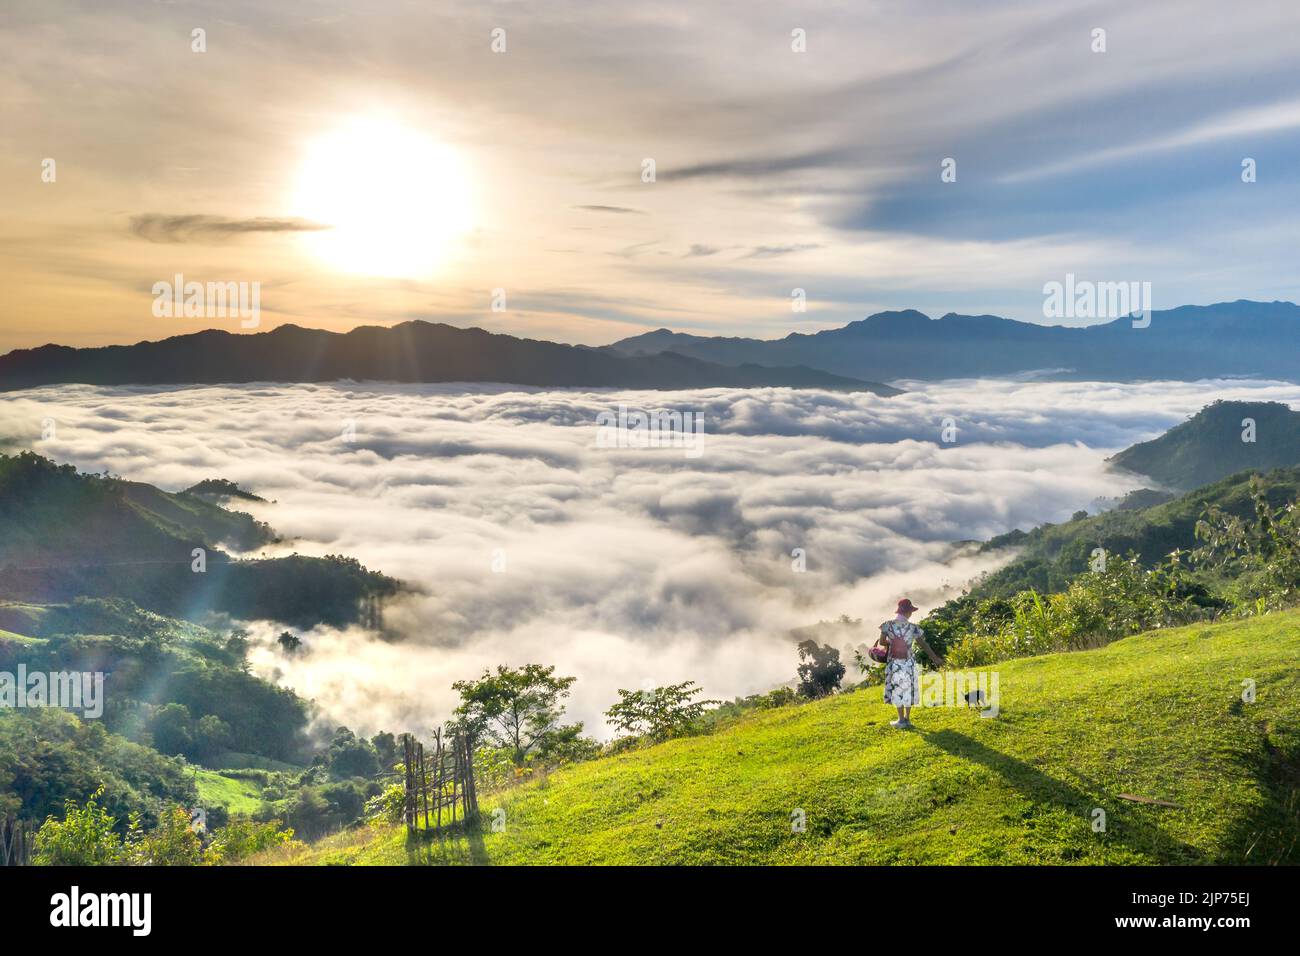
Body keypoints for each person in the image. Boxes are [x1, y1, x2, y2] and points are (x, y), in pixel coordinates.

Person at [876, 598, 945, 729]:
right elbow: (924, 645)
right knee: (907, 688)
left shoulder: (887, 625)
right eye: (911, 611)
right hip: (909, 662)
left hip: (894, 662)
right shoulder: (913, 628)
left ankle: (901, 720)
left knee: (898, 689)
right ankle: (907, 718)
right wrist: (935, 658)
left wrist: (892, 642)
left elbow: (881, 642)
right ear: (908, 612)